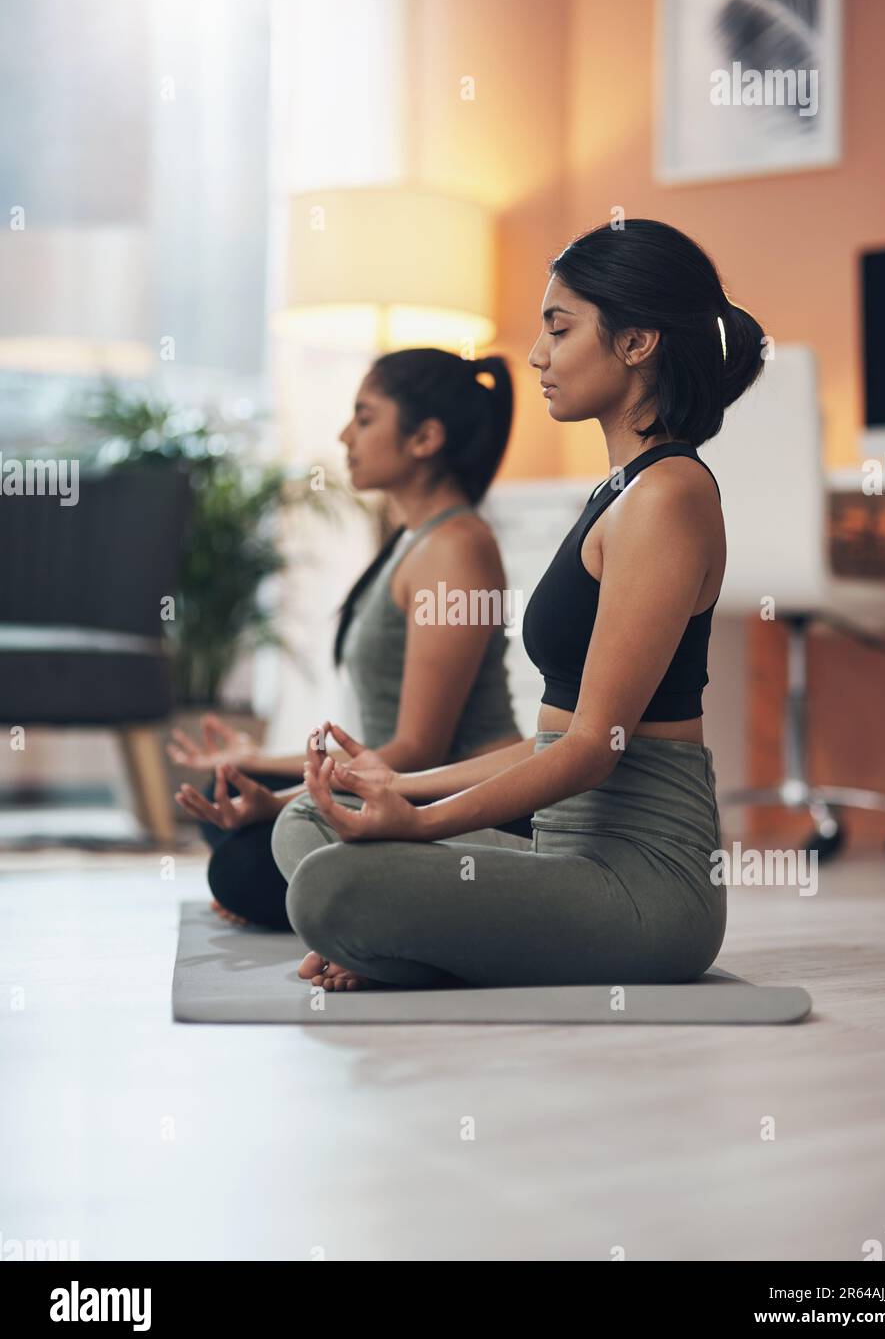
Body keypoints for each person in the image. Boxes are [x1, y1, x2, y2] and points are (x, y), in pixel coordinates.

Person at [270, 217, 767, 991]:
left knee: (332, 888)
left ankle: (391, 939)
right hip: (563, 854)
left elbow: (591, 749)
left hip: (644, 889)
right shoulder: (620, 491)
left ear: (636, 342)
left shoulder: (667, 495)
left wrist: (420, 823)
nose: (537, 354)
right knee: (305, 822)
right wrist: (391, 787)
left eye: (559, 328)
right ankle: (402, 941)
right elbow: (550, 739)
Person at [171, 348, 525, 929]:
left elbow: (419, 750)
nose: (345, 436)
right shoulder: (412, 541)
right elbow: (384, 752)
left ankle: (359, 904)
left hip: (464, 802)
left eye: (364, 418)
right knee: (229, 794)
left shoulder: (456, 549)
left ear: (425, 438)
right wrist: (255, 762)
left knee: (240, 866)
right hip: (400, 783)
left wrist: (285, 802)